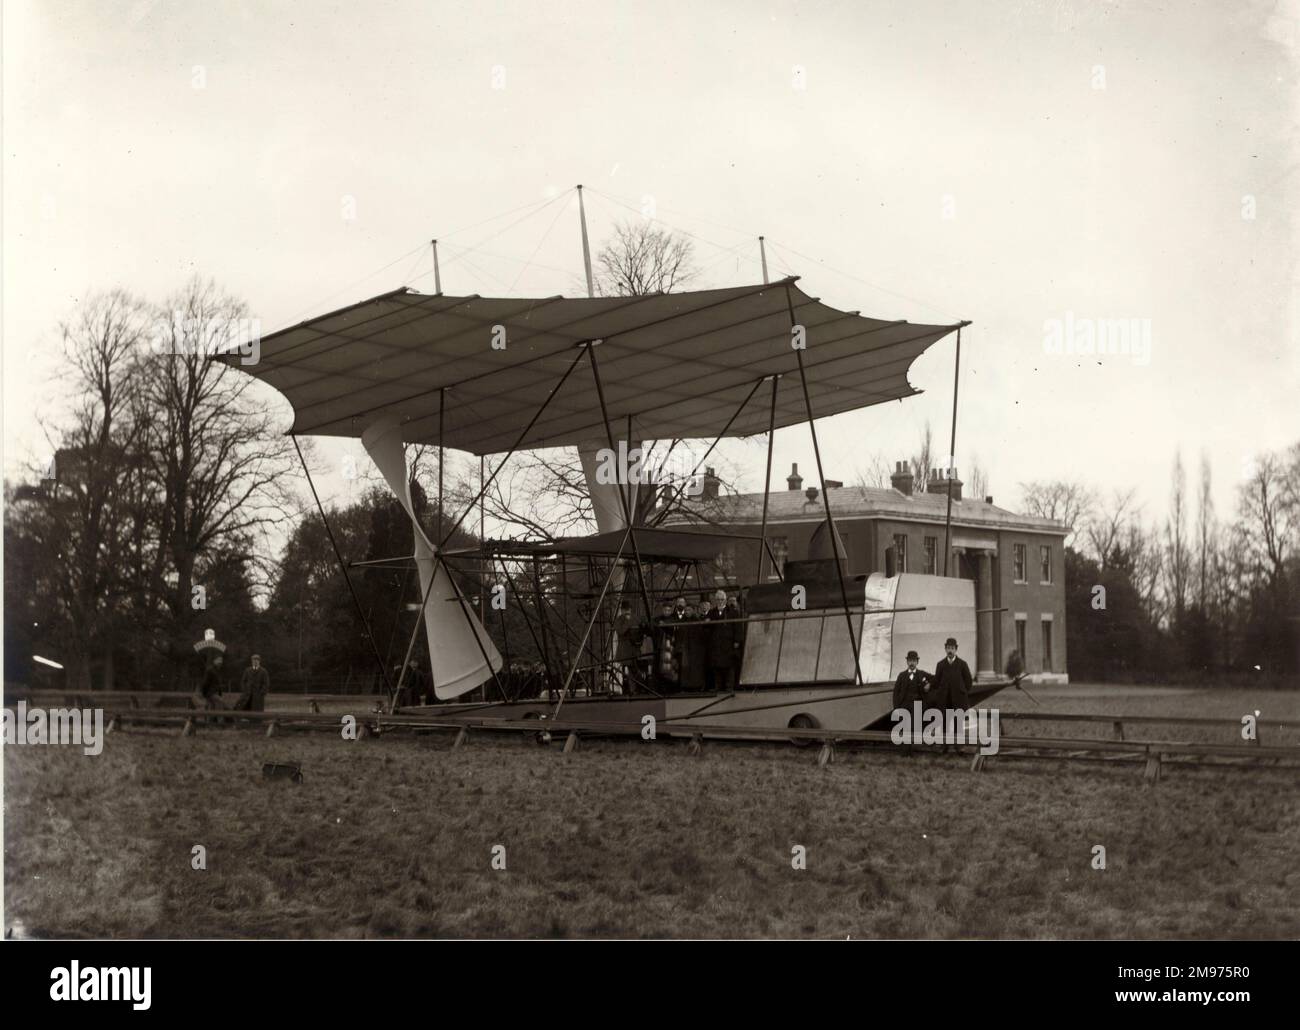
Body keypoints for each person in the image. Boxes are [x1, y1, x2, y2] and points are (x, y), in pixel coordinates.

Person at [933, 637, 974, 752]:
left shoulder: (962, 664)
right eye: (948, 648)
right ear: (945, 649)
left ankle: (959, 746)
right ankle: (944, 746)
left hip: (958, 700)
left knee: (958, 723)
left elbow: (968, 682)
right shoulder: (940, 664)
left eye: (952, 648)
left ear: (956, 649)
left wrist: (962, 692)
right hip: (945, 700)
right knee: (944, 723)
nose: (950, 650)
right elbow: (936, 682)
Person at [705, 588, 738, 692]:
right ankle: (718, 686)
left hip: (728, 644)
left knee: (729, 666)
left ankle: (729, 686)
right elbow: (706, 628)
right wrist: (706, 623)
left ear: (725, 600)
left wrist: (737, 641)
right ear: (715, 600)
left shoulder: (732, 612)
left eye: (722, 599)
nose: (720, 601)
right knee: (716, 666)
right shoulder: (711, 612)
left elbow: (737, 627)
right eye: (718, 599)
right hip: (716, 644)